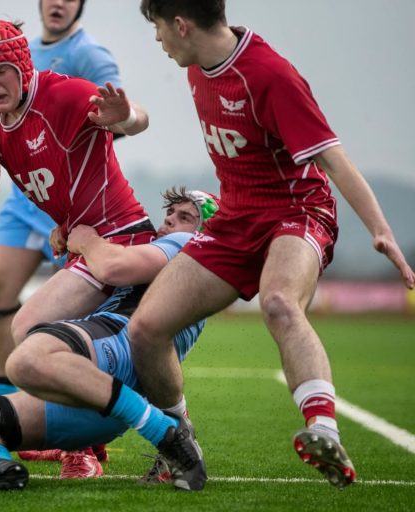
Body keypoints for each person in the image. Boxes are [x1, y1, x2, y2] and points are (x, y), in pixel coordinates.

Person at [130, 0, 415, 491]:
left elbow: (334, 158)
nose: (157, 41)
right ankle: (181, 442)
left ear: (180, 24)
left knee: (280, 302)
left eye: (158, 29)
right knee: (146, 328)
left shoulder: (270, 74)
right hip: (236, 219)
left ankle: (323, 430)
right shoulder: (197, 67)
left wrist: (380, 229)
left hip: (297, 211)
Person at [0, 188, 216, 492]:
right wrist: (73, 242)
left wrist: (86, 240)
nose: (168, 220)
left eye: (184, 217)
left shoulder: (190, 247)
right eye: (170, 212)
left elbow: (114, 265)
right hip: (97, 400)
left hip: (116, 355)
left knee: (26, 359)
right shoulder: (159, 253)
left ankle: (164, 432)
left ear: (205, 232)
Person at [0, 20, 155, 363]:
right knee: (37, 338)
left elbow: (141, 119)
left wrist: (127, 116)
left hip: (122, 237)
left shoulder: (63, 94)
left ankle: (132, 405)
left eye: (0, 71)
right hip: (80, 246)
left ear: (23, 66)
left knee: (29, 327)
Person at [0, 0, 124, 477]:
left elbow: (117, 120)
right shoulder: (9, 54)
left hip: (73, 204)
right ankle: (4, 404)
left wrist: (70, 162)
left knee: (67, 317)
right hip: (26, 200)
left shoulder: (88, 55)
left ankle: (81, 438)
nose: (58, 2)